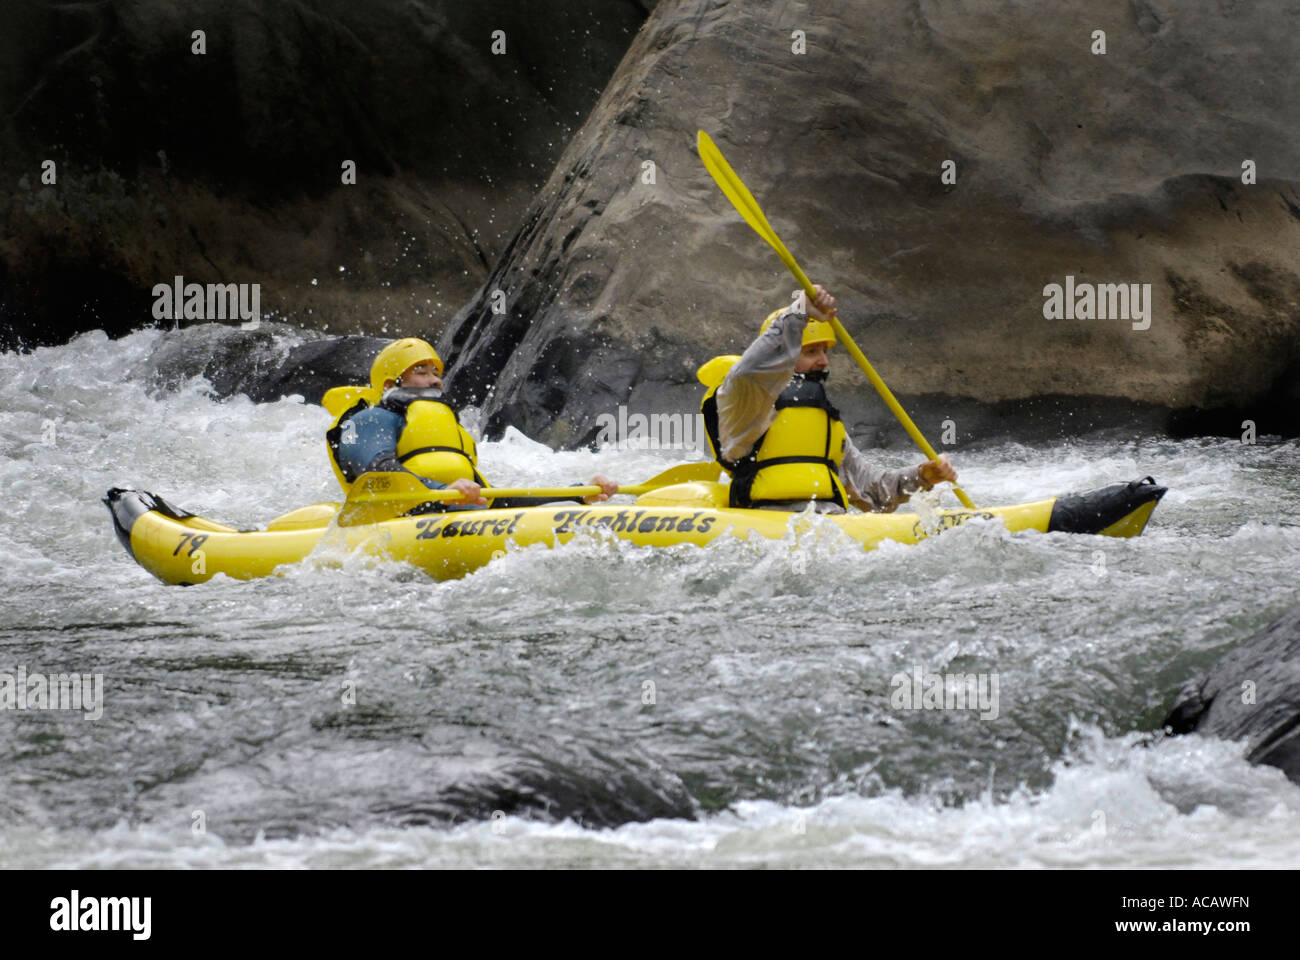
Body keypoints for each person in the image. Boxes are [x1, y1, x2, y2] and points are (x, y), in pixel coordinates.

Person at [698, 285, 957, 514]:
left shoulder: (825, 424)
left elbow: (875, 493)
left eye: (823, 351)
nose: (823, 361)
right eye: (811, 351)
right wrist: (797, 313)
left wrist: (923, 475)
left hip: (826, 527)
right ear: (783, 355)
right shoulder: (744, 400)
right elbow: (752, 370)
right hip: (763, 521)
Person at [325, 338, 616, 511]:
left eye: (436, 373)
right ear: (391, 383)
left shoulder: (453, 434)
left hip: (451, 515)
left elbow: (494, 500)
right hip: (400, 520)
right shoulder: (370, 419)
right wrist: (442, 491)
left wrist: (577, 493)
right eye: (421, 372)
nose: (435, 380)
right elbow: (378, 474)